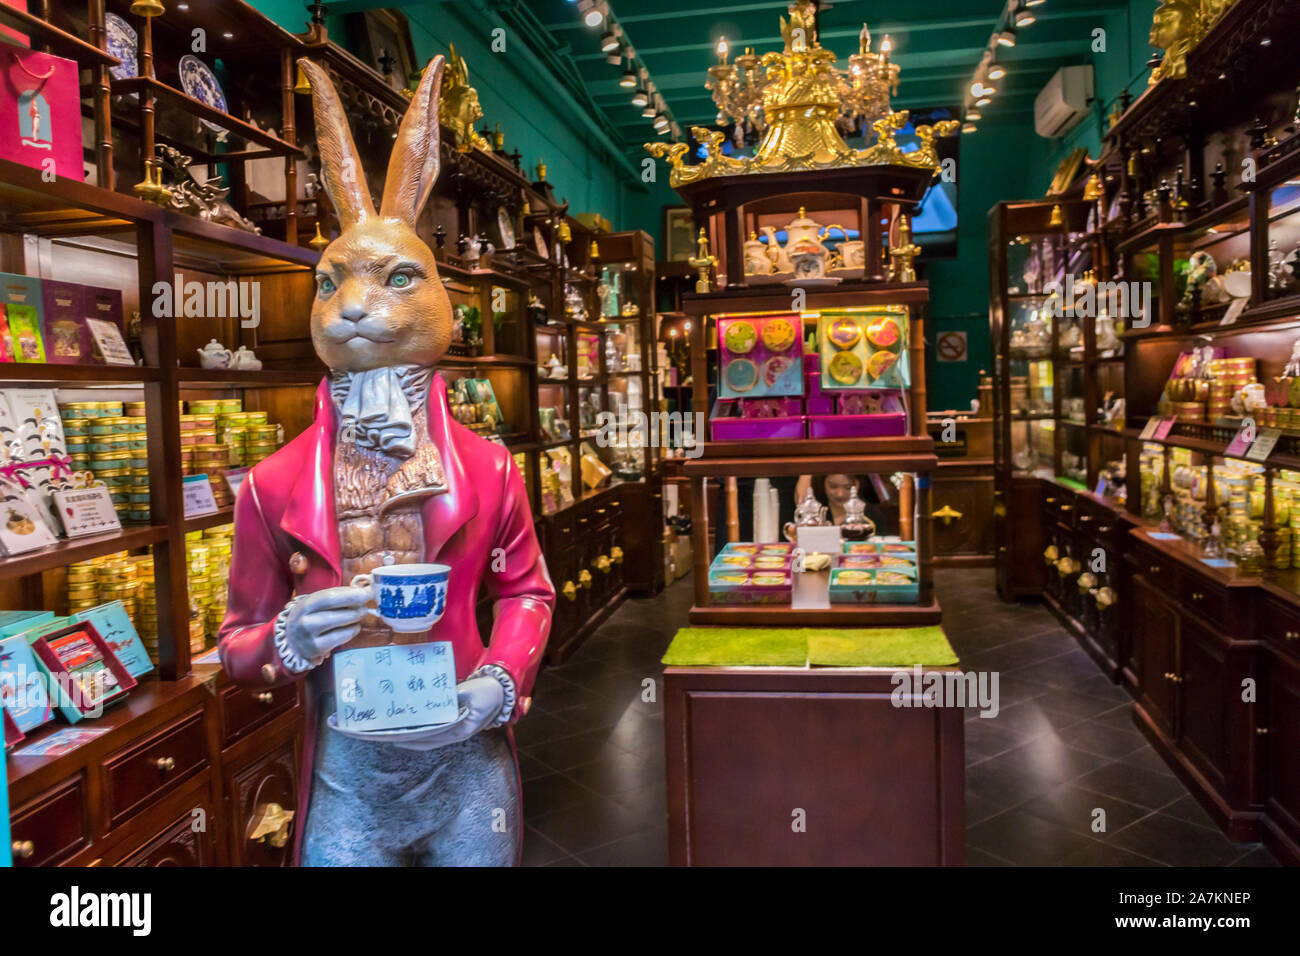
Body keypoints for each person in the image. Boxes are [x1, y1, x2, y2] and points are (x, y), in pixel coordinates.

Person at [795, 473, 895, 535]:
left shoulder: (873, 516)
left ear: (858, 484)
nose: (840, 494)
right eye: (833, 486)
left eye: (847, 487)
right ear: (823, 483)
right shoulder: (815, 513)